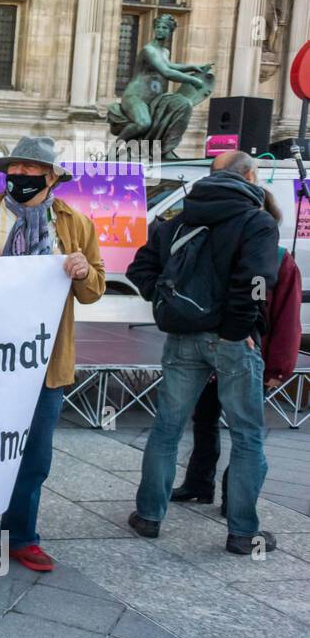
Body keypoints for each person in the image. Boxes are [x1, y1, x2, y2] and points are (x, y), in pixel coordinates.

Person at [0, 135, 105, 572]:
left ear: (52, 178)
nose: (22, 176)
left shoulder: (75, 223)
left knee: (34, 458)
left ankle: (21, 536)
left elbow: (94, 290)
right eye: (16, 169)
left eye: (32, 171)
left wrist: (83, 271)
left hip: (46, 363)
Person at [125, 150, 281, 554]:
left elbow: (139, 271)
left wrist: (170, 304)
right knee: (247, 435)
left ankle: (148, 516)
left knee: (166, 429)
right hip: (233, 341)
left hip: (182, 337)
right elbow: (259, 281)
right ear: (249, 175)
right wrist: (239, 328)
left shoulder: (179, 218)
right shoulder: (257, 221)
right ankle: (243, 533)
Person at [166, 188, 302, 515]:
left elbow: (287, 319)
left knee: (245, 434)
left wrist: (278, 369)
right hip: (213, 354)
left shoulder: (281, 259)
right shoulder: (224, 248)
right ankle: (199, 483)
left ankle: (235, 500)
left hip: (250, 358)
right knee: (204, 420)